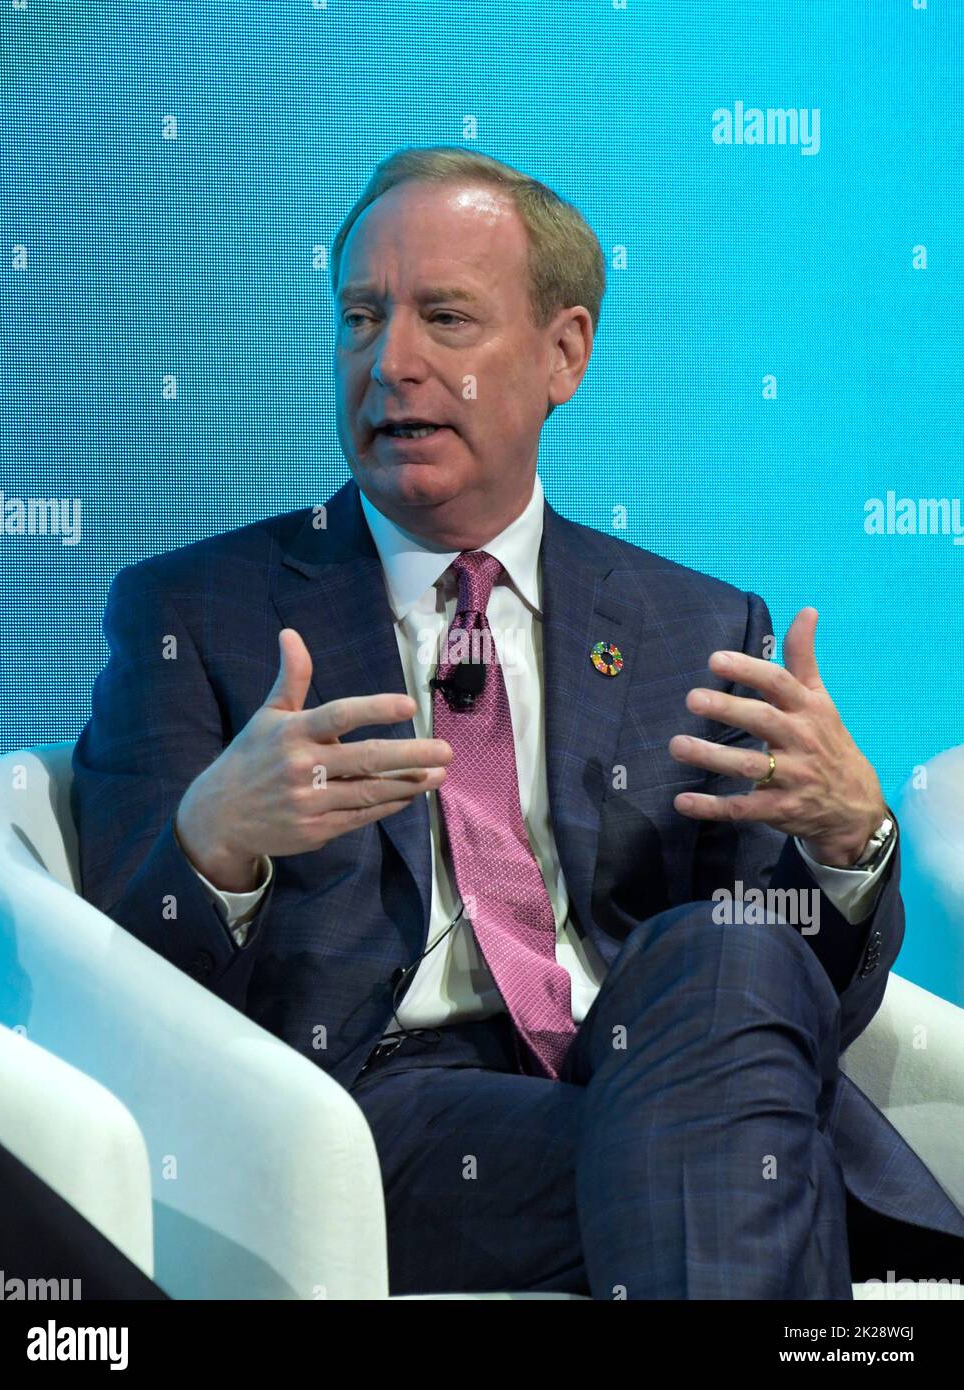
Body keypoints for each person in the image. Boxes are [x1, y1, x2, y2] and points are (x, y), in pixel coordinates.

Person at [72, 146, 964, 1299]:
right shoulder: (197, 611)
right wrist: (216, 844)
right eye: (359, 317)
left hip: (663, 1071)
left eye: (445, 318)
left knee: (728, 952)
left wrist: (850, 850)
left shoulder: (696, 621)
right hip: (370, 1118)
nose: (389, 363)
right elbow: (108, 999)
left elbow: (803, 1002)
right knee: (738, 1171)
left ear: (565, 352)